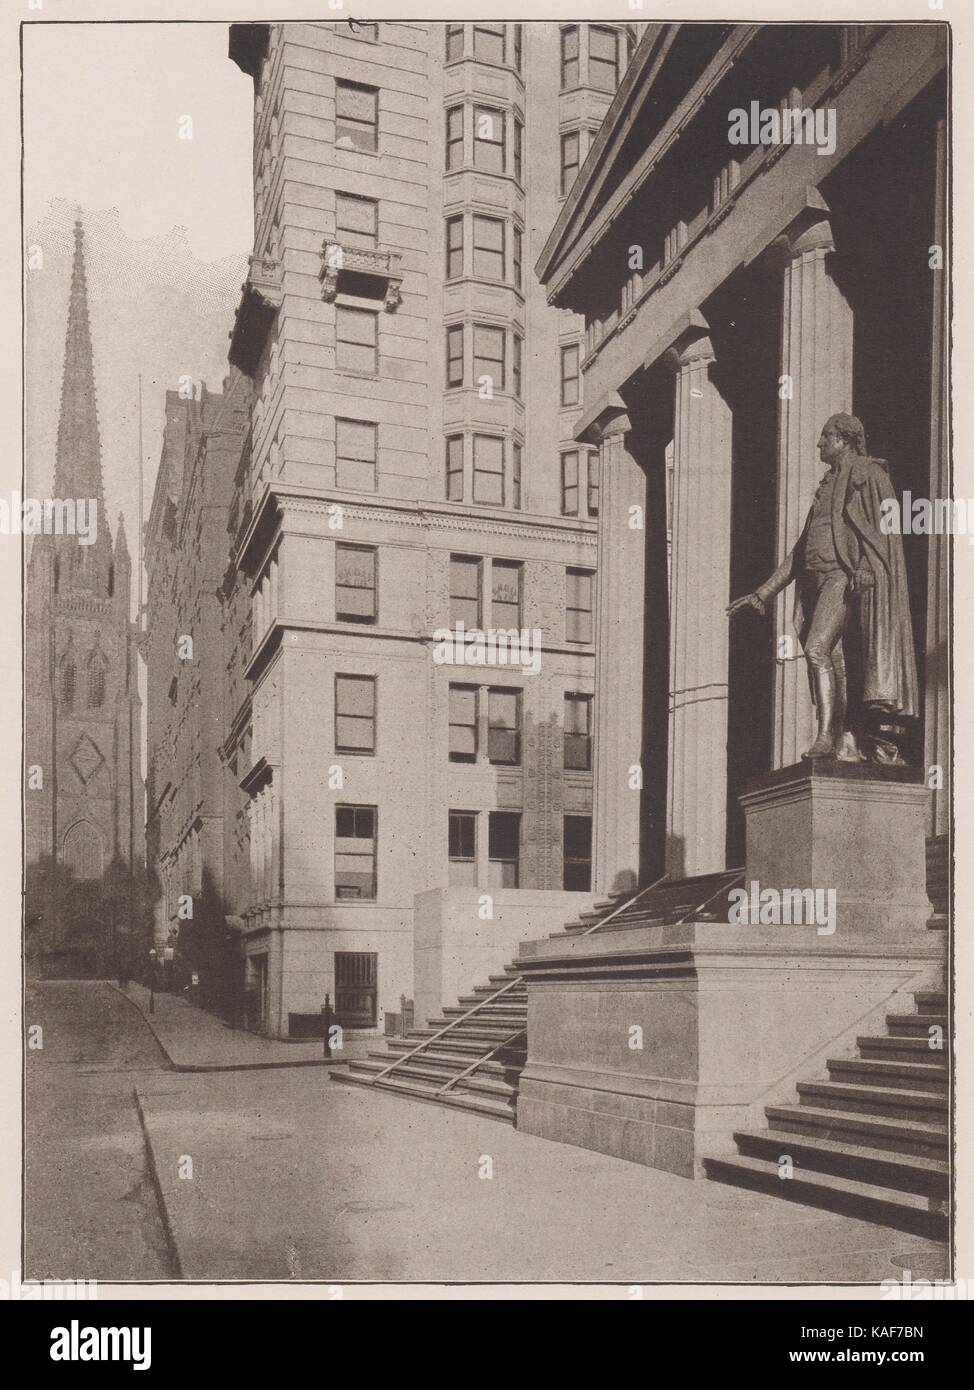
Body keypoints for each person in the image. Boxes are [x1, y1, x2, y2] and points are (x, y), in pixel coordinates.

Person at [728, 413, 918, 762]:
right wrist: (763, 593)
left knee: (816, 648)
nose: (819, 443)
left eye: (825, 436)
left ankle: (826, 736)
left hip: (841, 578)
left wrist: (863, 564)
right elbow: (800, 551)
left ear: (844, 439)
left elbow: (885, 528)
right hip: (815, 582)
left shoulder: (867, 473)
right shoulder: (827, 485)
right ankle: (842, 735)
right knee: (833, 660)